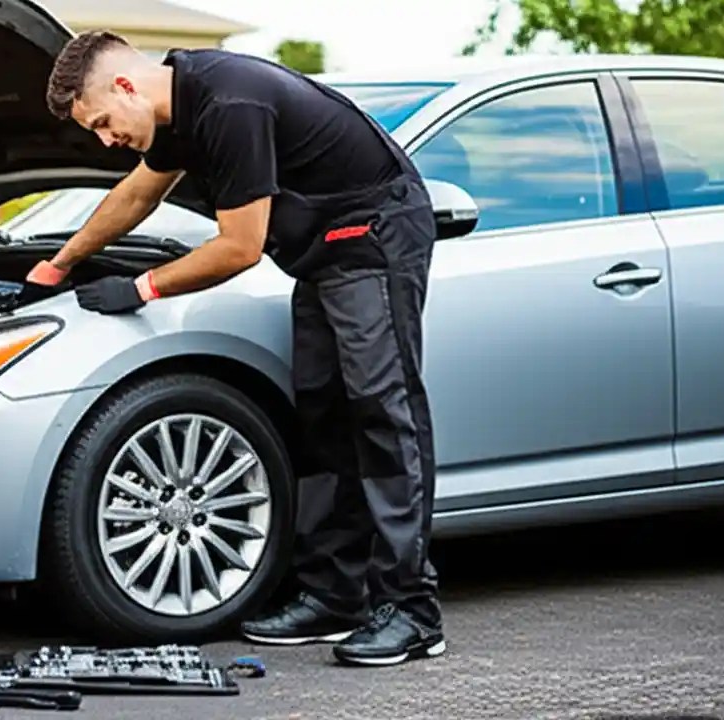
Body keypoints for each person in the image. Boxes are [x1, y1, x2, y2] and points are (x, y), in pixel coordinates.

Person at [25, 30, 444, 668]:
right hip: (322, 255)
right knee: (324, 419)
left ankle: (413, 611)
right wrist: (59, 264)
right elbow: (137, 195)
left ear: (126, 86)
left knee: (383, 413)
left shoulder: (230, 105)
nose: (106, 141)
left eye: (104, 123)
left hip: (374, 234)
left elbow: (240, 247)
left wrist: (141, 287)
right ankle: (335, 597)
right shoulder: (178, 109)